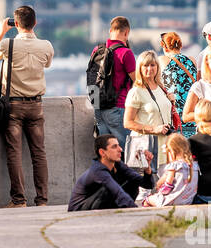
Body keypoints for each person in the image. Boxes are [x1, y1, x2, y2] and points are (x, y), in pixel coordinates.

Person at [0, 5, 55, 207]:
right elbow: (47, 64)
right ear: (35, 23)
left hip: (14, 107)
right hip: (36, 105)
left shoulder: (7, 44)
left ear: (15, 24)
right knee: (39, 153)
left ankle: (19, 200)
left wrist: (1, 32)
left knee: (14, 153)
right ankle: (42, 200)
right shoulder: (46, 46)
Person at [122, 50, 174, 180]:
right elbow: (127, 122)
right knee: (144, 188)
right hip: (146, 145)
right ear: (139, 68)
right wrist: (154, 129)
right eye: (145, 65)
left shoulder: (161, 88)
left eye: (152, 65)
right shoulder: (136, 92)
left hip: (164, 144)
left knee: (166, 185)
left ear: (157, 67)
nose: (149, 69)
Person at [68, 134, 146, 211]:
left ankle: (123, 209)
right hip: (79, 208)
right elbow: (116, 191)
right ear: (102, 152)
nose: (120, 149)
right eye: (114, 147)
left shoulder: (118, 165)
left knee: (133, 182)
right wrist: (135, 209)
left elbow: (147, 184)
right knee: (108, 188)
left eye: (118, 146)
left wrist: (147, 169)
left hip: (98, 203)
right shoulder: (97, 170)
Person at [91, 16, 136, 147]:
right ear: (126, 33)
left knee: (106, 152)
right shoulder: (126, 53)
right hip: (117, 107)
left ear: (110, 30)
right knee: (125, 150)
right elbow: (137, 83)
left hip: (98, 107)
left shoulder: (97, 50)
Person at [140, 133, 200, 207]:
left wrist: (158, 190)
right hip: (187, 201)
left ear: (171, 151)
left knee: (147, 200)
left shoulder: (174, 166)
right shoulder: (194, 166)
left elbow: (167, 188)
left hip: (170, 201)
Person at [158, 32, 199, 137]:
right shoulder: (192, 60)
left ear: (164, 47)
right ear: (180, 45)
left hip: (173, 117)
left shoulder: (163, 60)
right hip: (191, 114)